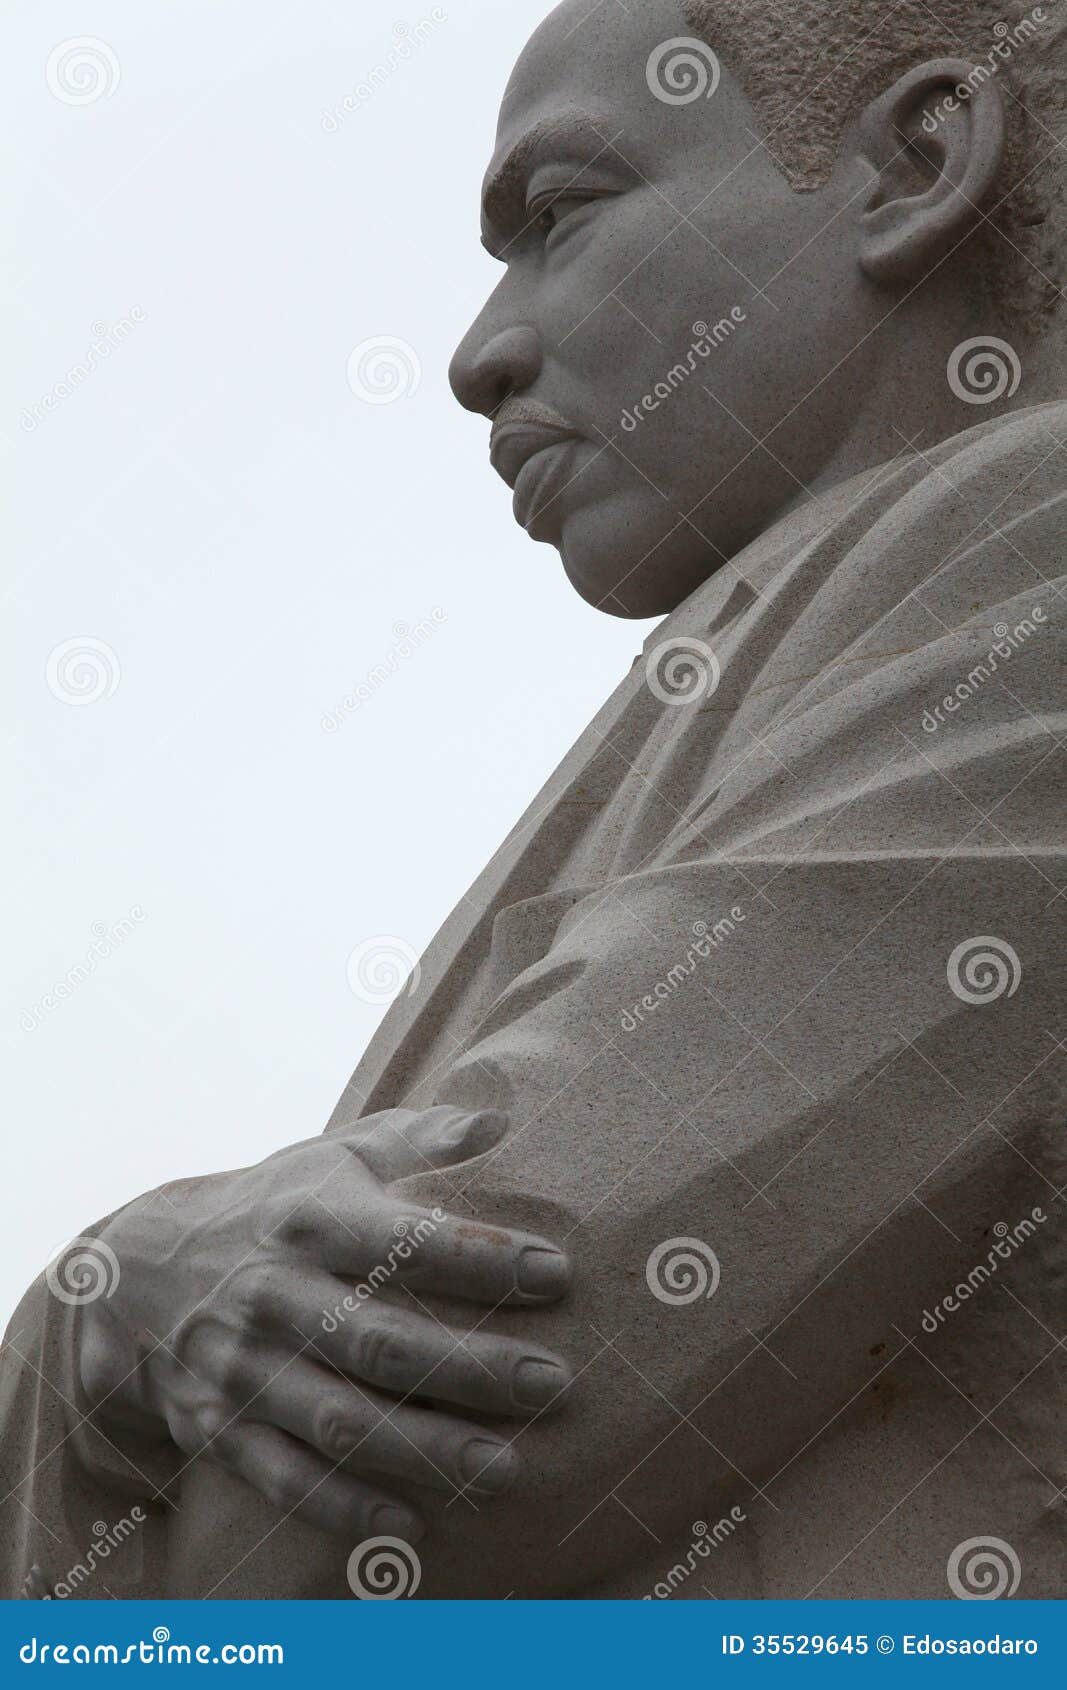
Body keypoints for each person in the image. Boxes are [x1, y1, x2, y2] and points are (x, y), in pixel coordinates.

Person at [3, 0, 1065, 1600]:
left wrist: (103, 1341)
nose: (480, 350)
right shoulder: (804, 630)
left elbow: (421, 1434)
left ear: (918, 165)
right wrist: (109, 1308)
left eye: (558, 217)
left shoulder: (1021, 542)